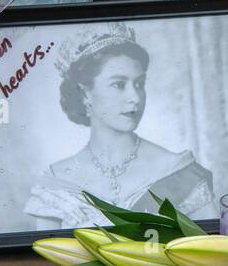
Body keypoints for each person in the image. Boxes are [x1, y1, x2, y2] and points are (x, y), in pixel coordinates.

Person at [24, 22, 216, 227]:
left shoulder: (178, 172)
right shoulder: (56, 183)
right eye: (118, 84)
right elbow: (45, 256)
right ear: (85, 93)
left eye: (139, 84)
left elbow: (211, 250)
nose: (135, 97)